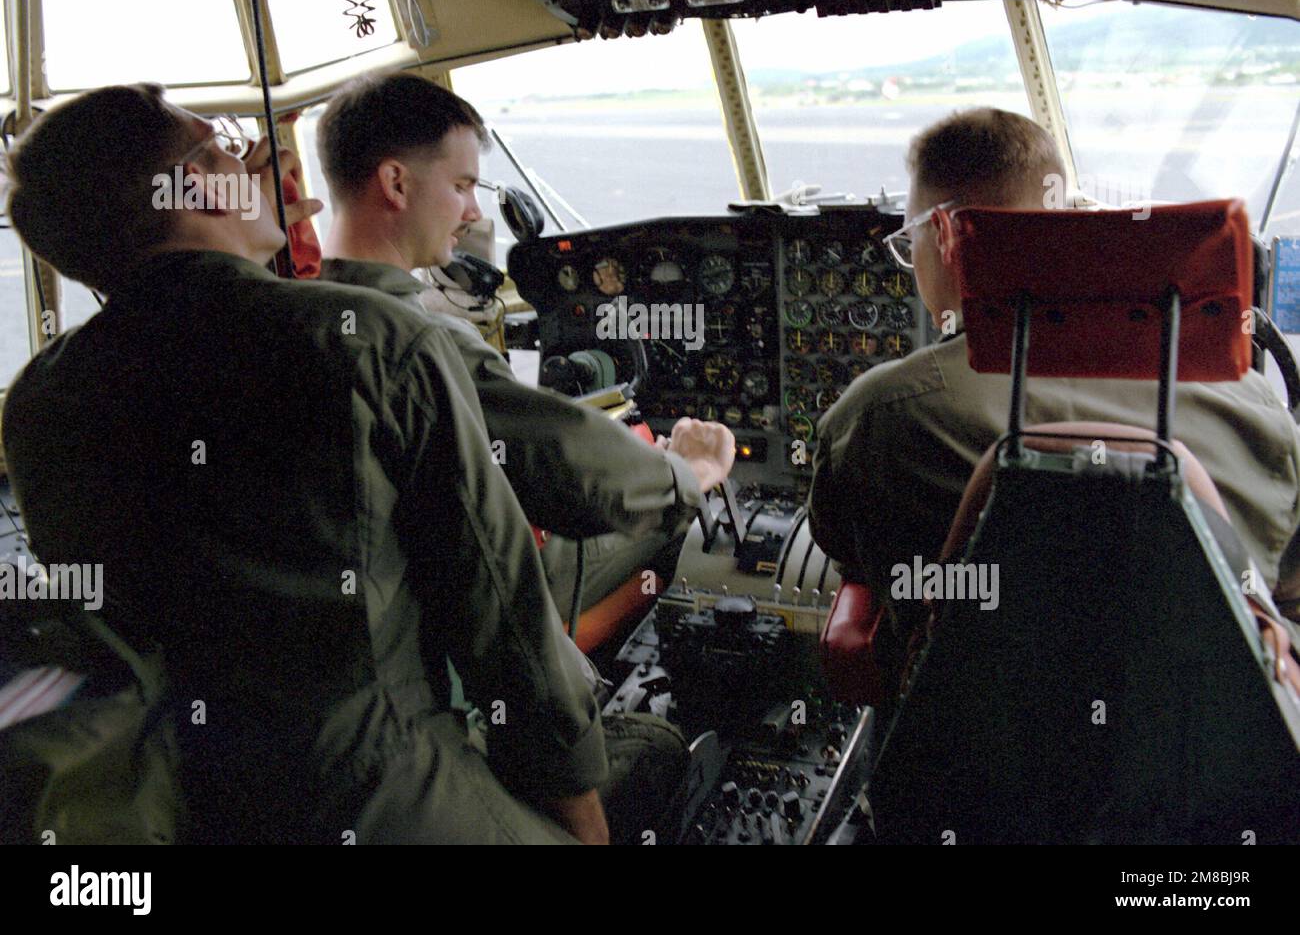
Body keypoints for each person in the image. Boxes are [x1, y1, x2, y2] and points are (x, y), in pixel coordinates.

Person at [1, 83, 734, 844]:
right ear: (193, 185)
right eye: (225, 144)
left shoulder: (39, 401)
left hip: (180, 799)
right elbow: (499, 610)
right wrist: (580, 817)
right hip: (378, 790)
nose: (256, 158)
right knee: (651, 750)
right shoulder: (375, 341)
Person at [808, 107, 1300, 646]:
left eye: (911, 241)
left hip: (979, 724)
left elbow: (849, 554)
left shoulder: (878, 418)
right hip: (1215, 724)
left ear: (945, 233)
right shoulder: (1251, 401)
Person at [312, 72, 703, 620]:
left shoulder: (299, 313)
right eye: (461, 185)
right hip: (454, 603)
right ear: (396, 184)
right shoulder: (424, 342)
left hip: (374, 595)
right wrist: (685, 474)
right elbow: (567, 467)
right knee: (681, 527)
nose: (473, 211)